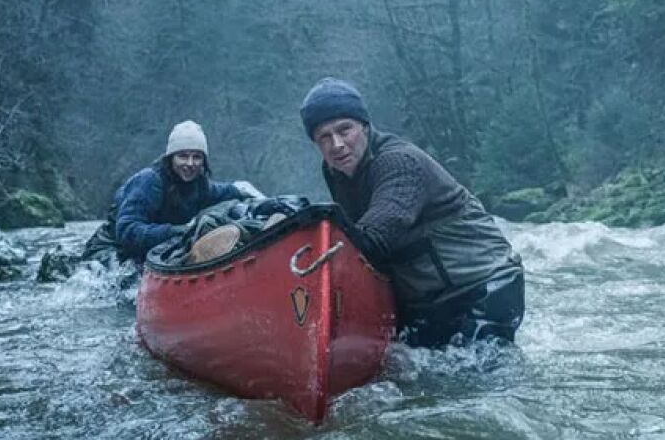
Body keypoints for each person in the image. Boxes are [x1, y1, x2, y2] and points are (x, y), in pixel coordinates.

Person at [300, 77, 525, 348]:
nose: (337, 144)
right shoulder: (335, 171)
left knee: (478, 378)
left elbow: (372, 240)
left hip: (484, 287)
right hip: (428, 299)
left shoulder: (399, 162)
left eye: (344, 130)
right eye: (324, 137)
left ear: (365, 126)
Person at [80, 120, 263, 265]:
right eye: (183, 156)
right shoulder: (149, 181)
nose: (190, 164)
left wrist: (245, 191)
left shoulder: (200, 185)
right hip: (110, 251)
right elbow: (128, 231)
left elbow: (225, 191)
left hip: (151, 251)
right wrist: (180, 231)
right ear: (171, 158)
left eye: (197, 157)